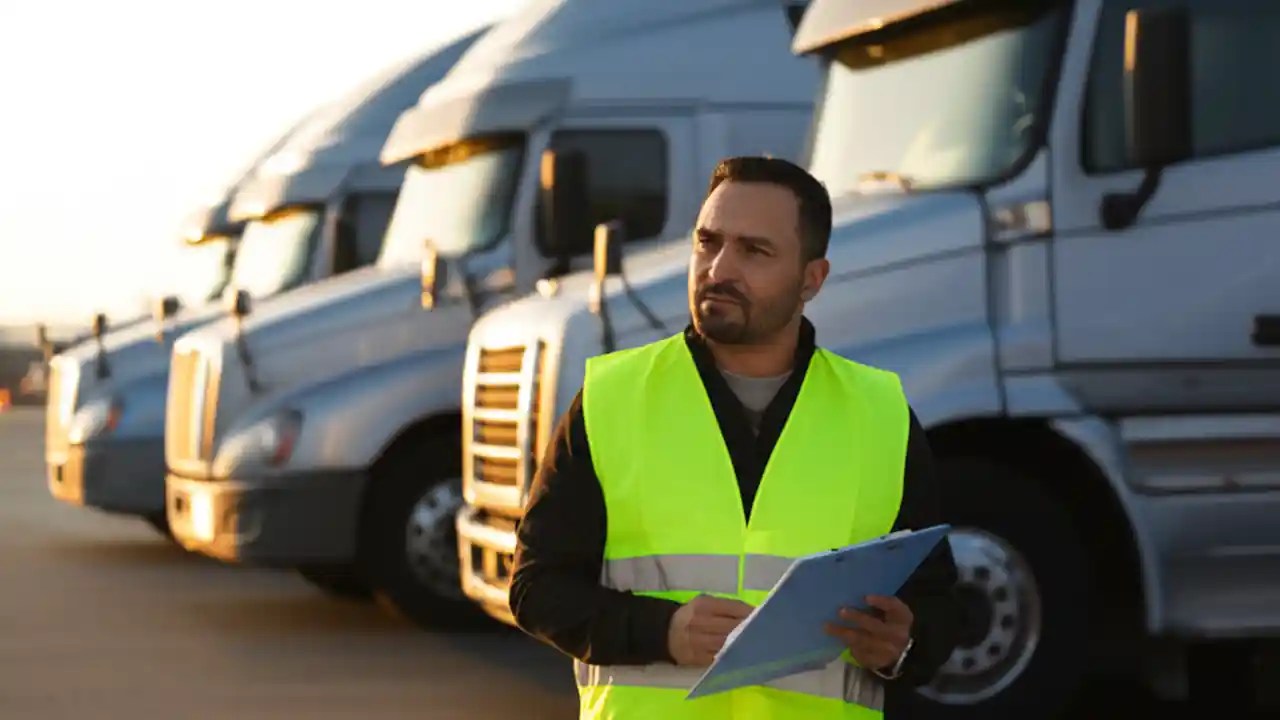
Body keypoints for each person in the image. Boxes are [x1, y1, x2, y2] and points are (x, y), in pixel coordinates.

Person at [510, 156, 962, 719]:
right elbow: (536, 589)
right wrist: (663, 629)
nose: (719, 268)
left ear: (811, 279)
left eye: (755, 251)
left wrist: (903, 646)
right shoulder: (610, 399)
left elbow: (938, 602)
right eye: (707, 242)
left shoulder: (880, 413)